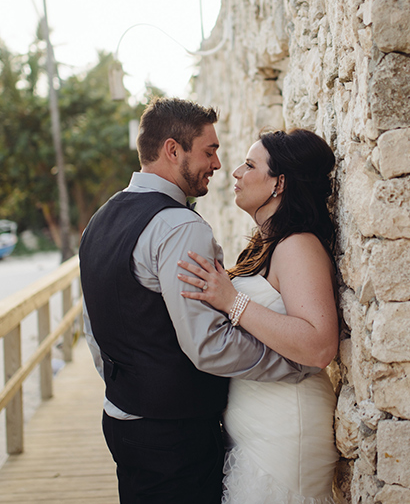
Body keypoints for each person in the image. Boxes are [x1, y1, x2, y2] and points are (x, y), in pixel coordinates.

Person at [78, 98, 315, 504]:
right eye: (210, 151)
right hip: (173, 434)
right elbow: (208, 346)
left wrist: (133, 389)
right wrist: (292, 364)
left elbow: (93, 330)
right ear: (173, 150)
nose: (219, 165)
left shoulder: (100, 219)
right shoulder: (179, 227)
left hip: (120, 419)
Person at [177, 128, 340, 504]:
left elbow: (319, 346)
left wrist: (232, 301)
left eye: (250, 165)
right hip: (255, 428)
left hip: (286, 428)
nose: (235, 172)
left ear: (279, 183)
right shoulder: (267, 243)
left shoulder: (298, 245)